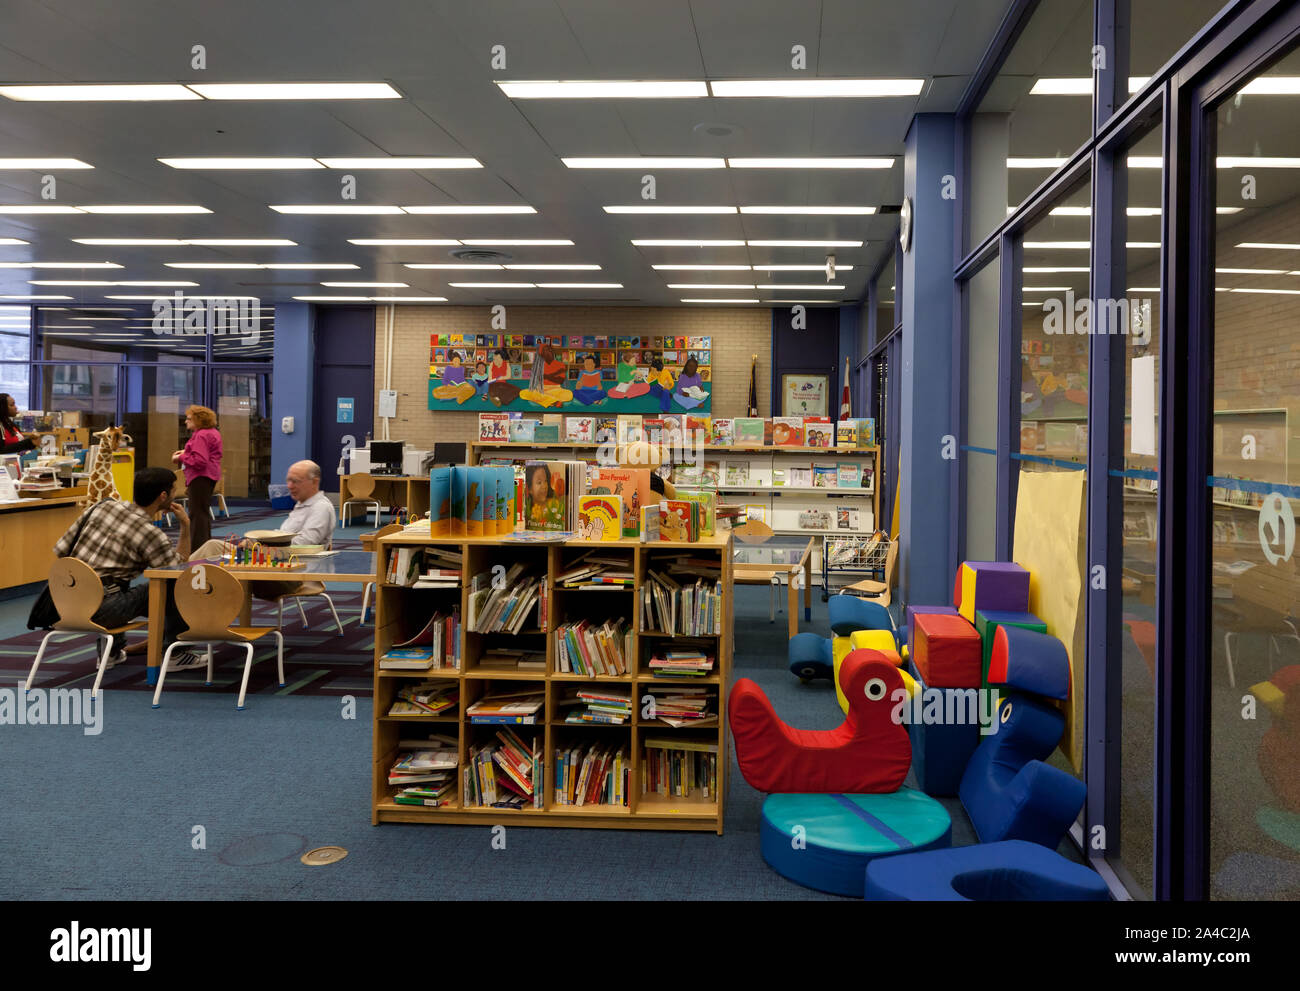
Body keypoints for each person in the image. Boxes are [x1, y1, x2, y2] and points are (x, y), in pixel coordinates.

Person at [50, 466, 206, 670]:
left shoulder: (101, 507)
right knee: (178, 586)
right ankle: (175, 655)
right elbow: (177, 570)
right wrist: (185, 526)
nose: (178, 494)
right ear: (163, 496)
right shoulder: (150, 533)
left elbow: (62, 549)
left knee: (113, 581)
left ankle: (111, 653)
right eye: (174, 490)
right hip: (102, 609)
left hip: (63, 601)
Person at [191, 460, 336, 602]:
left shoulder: (320, 508)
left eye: (296, 481)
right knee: (213, 547)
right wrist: (256, 542)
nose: (290, 486)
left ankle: (179, 584)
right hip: (273, 562)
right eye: (289, 480)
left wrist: (259, 546)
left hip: (292, 574)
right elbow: (281, 536)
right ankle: (182, 582)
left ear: (314, 482)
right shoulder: (302, 505)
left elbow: (304, 544)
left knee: (215, 555)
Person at [171, 404, 222, 548]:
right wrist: (186, 453)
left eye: (189, 419)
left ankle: (197, 548)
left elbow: (199, 461)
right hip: (209, 475)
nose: (186, 421)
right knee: (202, 514)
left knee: (197, 515)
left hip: (200, 476)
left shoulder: (201, 435)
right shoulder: (212, 432)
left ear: (199, 420)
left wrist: (180, 458)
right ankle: (205, 546)